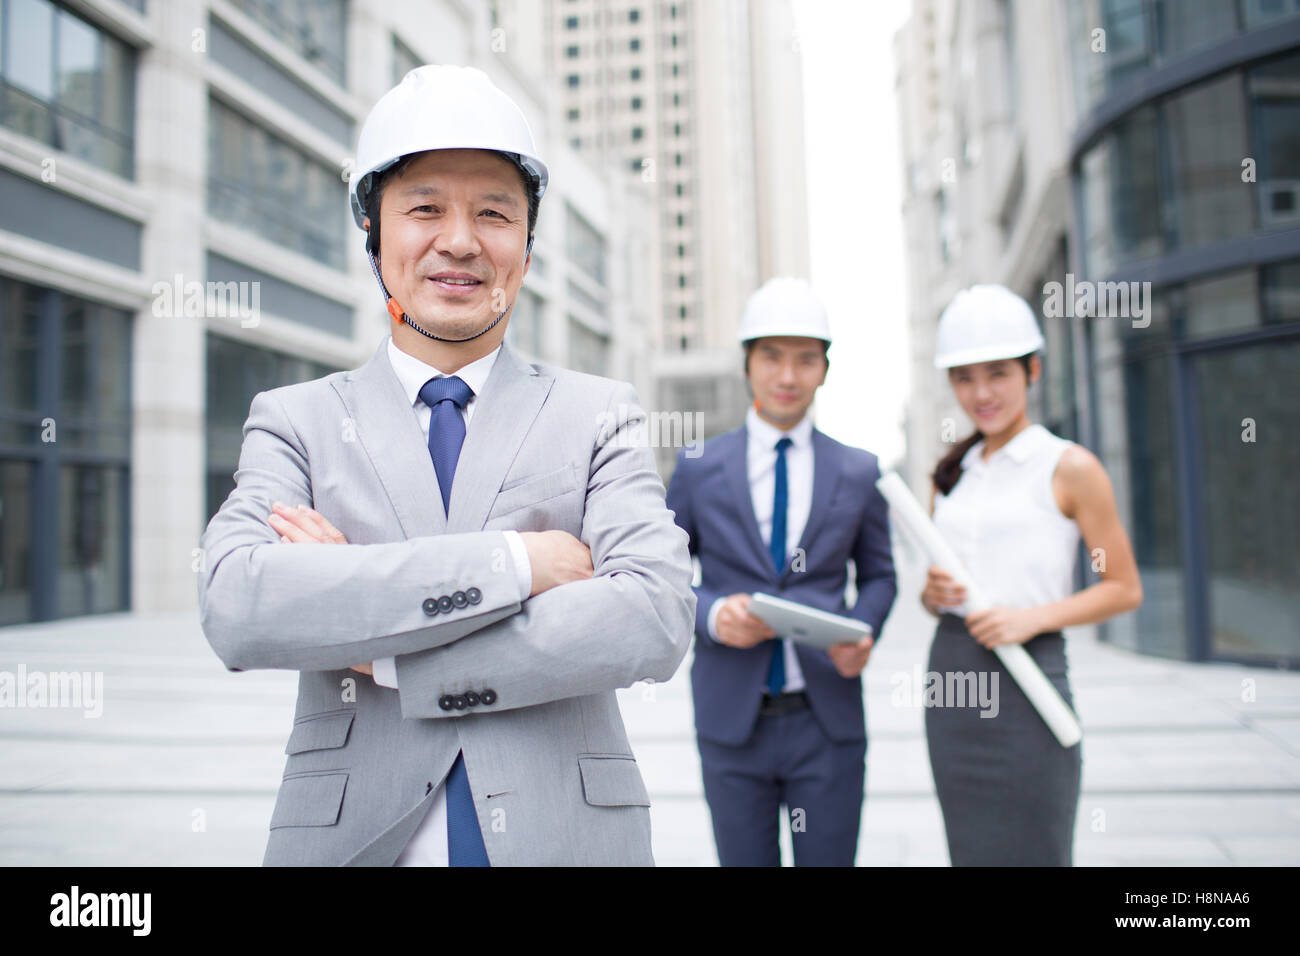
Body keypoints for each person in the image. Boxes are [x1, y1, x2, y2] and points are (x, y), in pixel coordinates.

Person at [196, 65, 695, 866]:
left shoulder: (600, 413)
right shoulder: (298, 421)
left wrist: (380, 646)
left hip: (565, 837)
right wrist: (519, 562)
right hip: (352, 837)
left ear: (525, 253)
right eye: (424, 207)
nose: (459, 240)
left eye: (494, 213)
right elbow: (239, 604)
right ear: (375, 238)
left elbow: (655, 614)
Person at [665, 277, 897, 866]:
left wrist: (863, 632)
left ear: (824, 369)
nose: (788, 377)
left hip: (826, 720)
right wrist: (713, 615)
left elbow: (879, 576)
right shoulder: (698, 467)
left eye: (804, 360)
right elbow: (656, 574)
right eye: (772, 357)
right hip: (732, 721)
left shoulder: (859, 471)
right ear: (748, 363)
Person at [921, 283, 1143, 866]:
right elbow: (932, 594)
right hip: (952, 678)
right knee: (970, 851)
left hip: (1031, 675)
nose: (981, 393)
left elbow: (1123, 586)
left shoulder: (1069, 467)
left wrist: (1031, 618)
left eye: (998, 373)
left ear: (1033, 370)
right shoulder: (952, 473)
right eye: (965, 378)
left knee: (1038, 849)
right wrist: (932, 591)